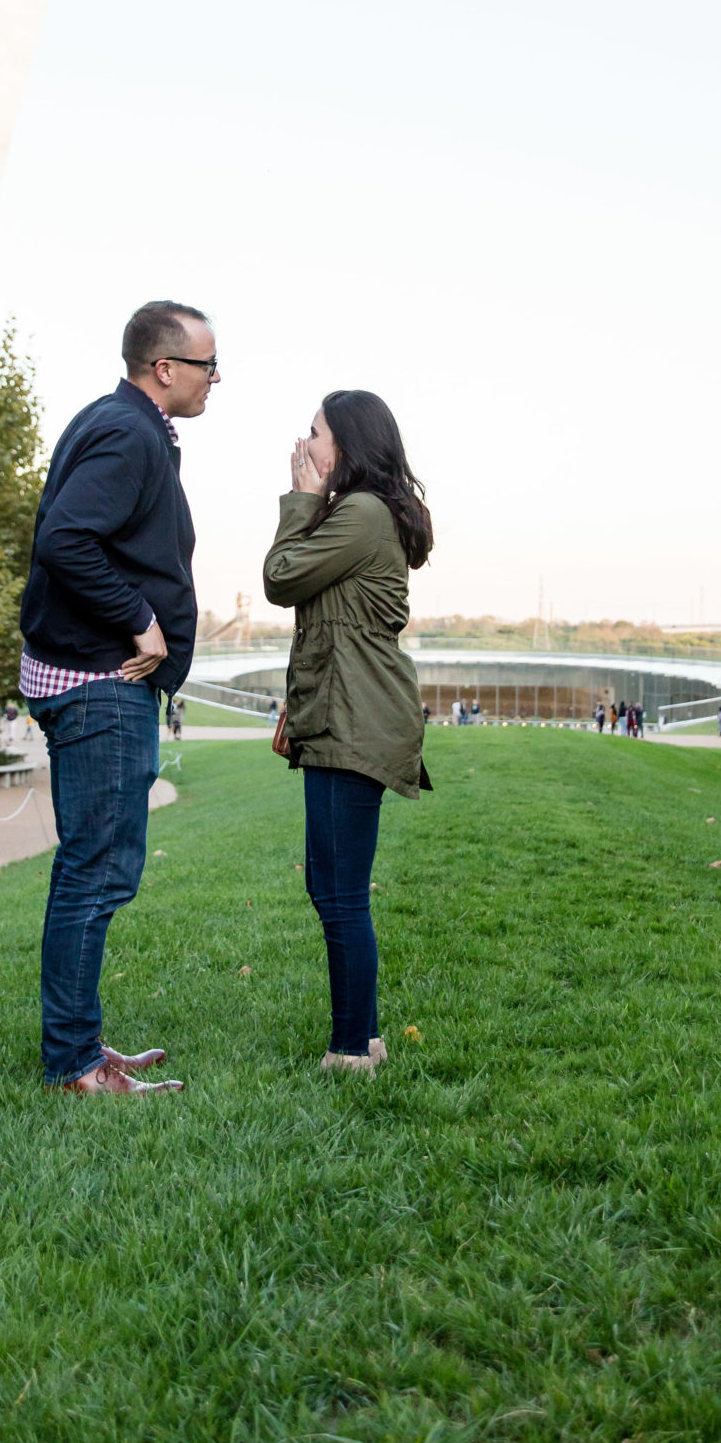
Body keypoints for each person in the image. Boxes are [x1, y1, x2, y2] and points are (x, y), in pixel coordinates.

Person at [18, 300, 217, 1096]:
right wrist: (140, 621)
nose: (215, 381)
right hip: (101, 684)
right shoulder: (128, 432)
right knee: (95, 874)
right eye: (208, 366)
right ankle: (73, 1065)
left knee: (95, 872)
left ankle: (82, 1045)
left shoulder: (119, 423)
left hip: (95, 680)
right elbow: (63, 537)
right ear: (164, 368)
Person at [263, 390, 432, 1076]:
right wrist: (293, 713)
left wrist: (298, 498)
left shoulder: (359, 512)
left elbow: (280, 579)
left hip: (355, 719)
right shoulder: (364, 513)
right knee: (335, 889)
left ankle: (350, 1050)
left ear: (349, 445)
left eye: (315, 434)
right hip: (344, 711)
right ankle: (362, 1038)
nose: (305, 446)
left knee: (338, 893)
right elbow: (326, 622)